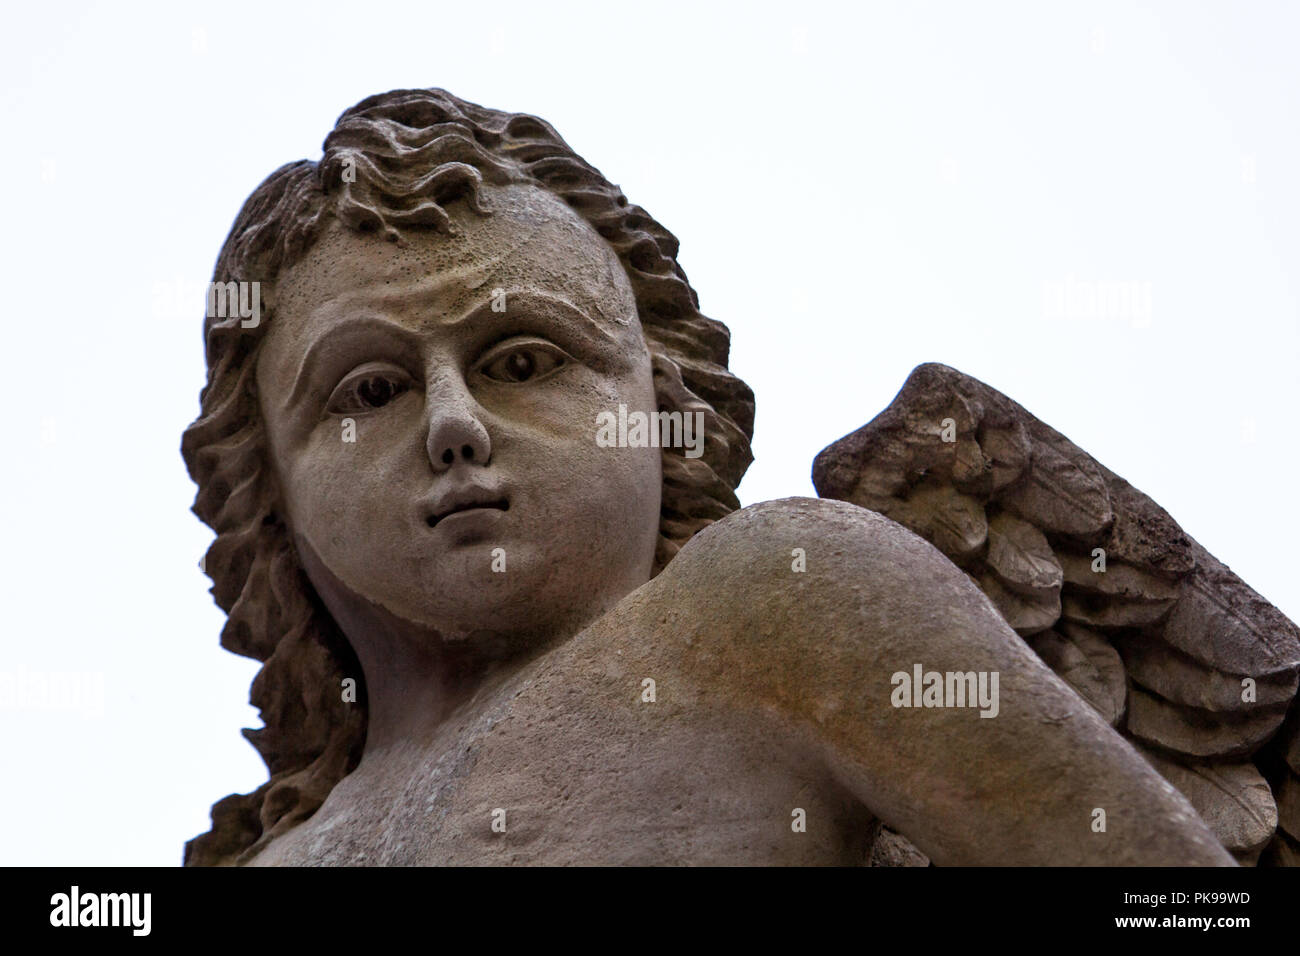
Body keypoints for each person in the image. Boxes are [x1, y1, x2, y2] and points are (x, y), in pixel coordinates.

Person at [182, 88, 1230, 866]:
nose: (453, 424)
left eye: (524, 361)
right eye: (368, 391)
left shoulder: (774, 610)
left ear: (666, 406)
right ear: (267, 481)